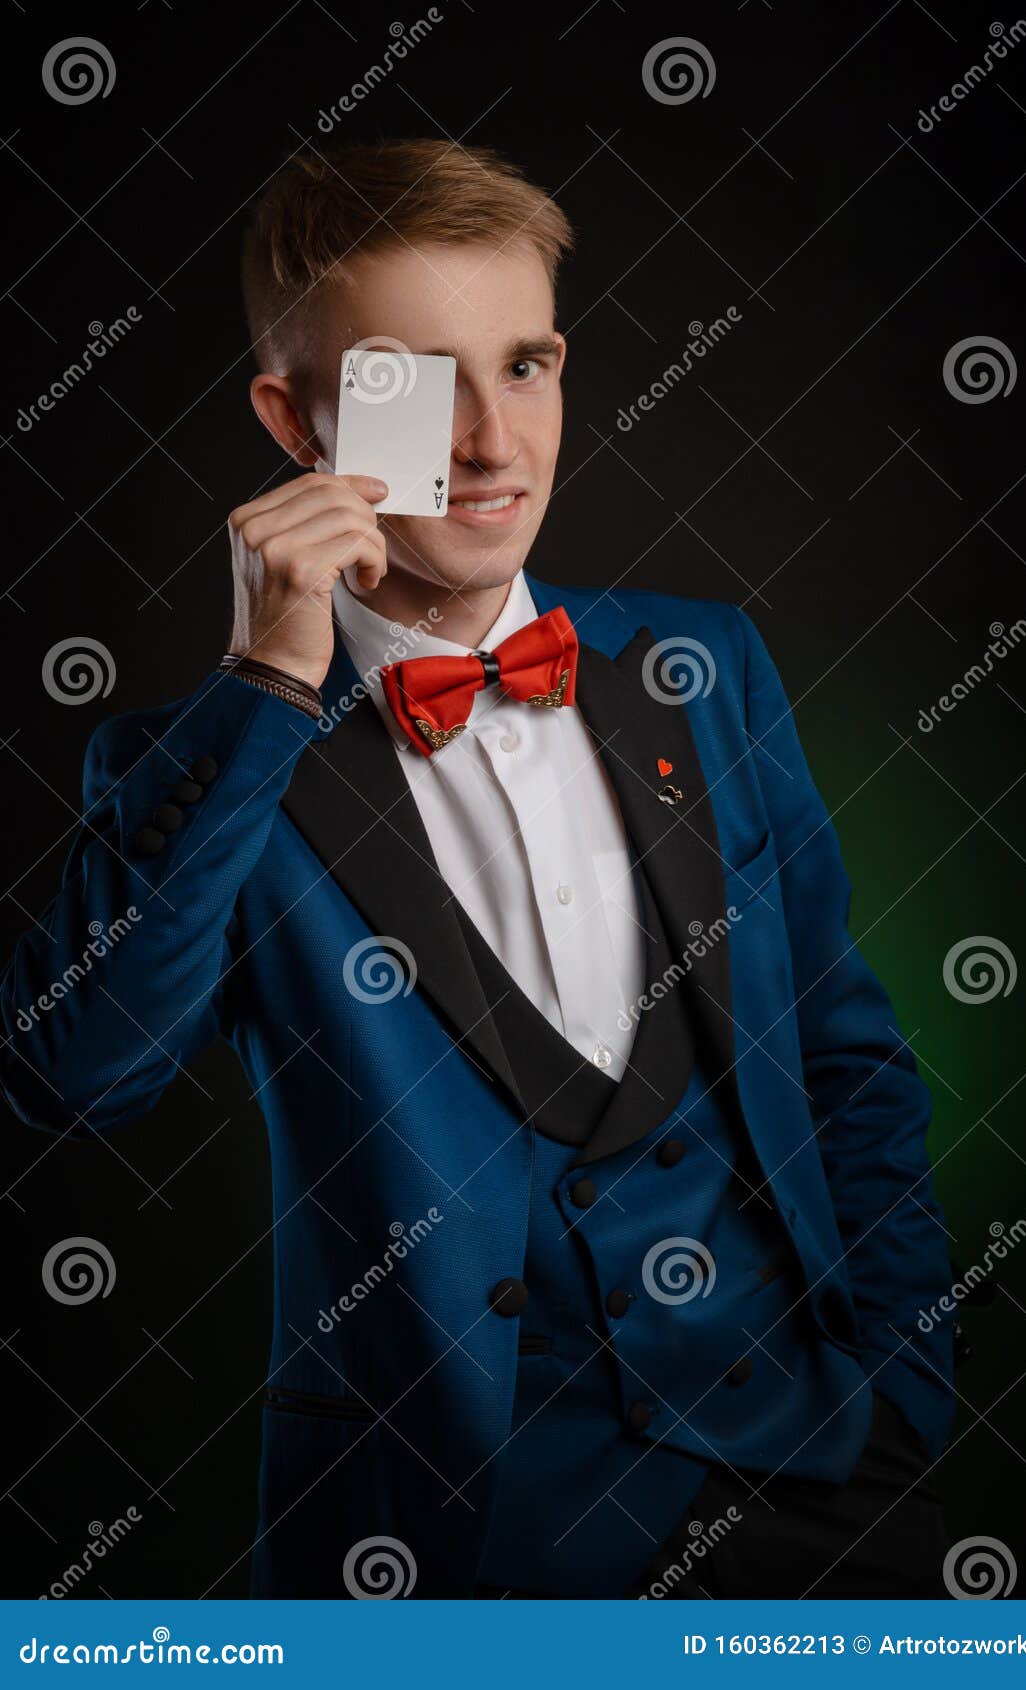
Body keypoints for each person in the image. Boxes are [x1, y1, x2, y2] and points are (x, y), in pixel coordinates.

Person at [0, 139, 954, 1600]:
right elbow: (78, 1073)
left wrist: (902, 1377)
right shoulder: (207, 766)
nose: (498, 446)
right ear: (295, 417)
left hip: (816, 1474)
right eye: (415, 382)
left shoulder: (700, 666)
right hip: (457, 1533)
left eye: (524, 365)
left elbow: (845, 1053)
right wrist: (263, 681)